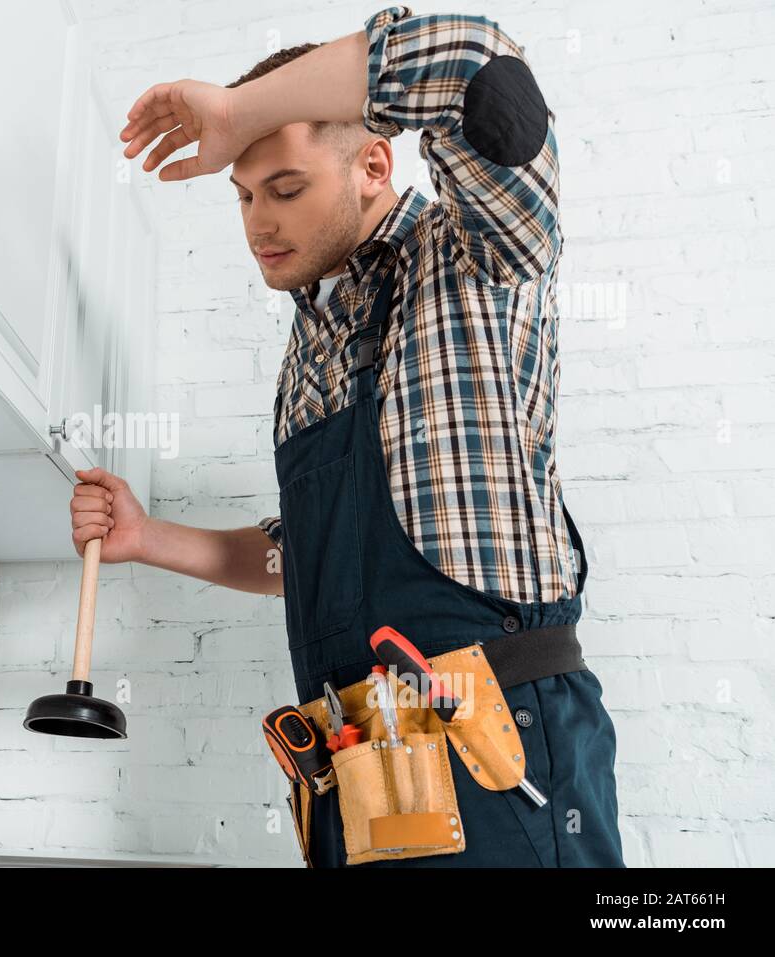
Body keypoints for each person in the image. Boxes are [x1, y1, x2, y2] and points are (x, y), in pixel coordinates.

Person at [68, 5, 624, 867]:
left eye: (285, 188)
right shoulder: (308, 352)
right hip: (356, 784)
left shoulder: (478, 261)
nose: (259, 222)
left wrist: (237, 111)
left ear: (373, 163)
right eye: (245, 196)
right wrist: (149, 539)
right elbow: (317, 556)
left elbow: (477, 65)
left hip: (495, 764)